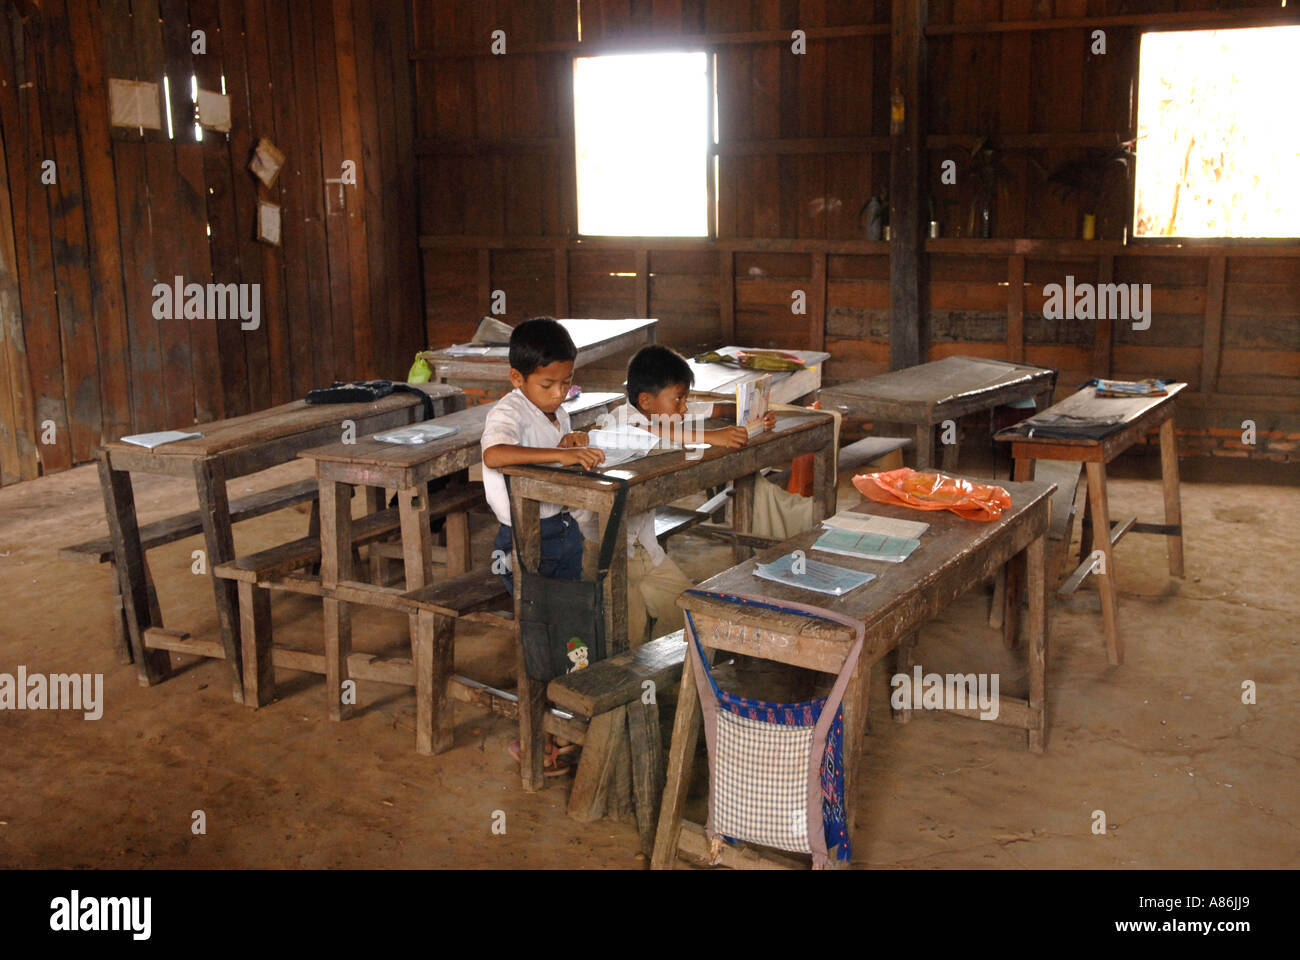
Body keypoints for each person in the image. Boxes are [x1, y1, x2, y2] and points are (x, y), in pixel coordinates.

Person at [583, 345, 775, 646]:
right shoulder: (621, 423)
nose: (684, 407)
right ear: (645, 400)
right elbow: (654, 438)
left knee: (687, 616)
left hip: (646, 550)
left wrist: (747, 417)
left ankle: (668, 680)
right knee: (625, 635)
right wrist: (713, 436)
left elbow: (698, 411)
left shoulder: (658, 411)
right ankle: (631, 689)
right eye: (679, 398)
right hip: (608, 555)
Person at [480, 317, 604, 596]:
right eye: (548, 385)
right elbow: (494, 455)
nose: (559, 394)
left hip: (564, 527)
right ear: (517, 378)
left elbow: (554, 448)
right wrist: (562, 455)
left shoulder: (558, 412)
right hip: (522, 536)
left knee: (567, 606)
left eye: (567, 382)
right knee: (535, 612)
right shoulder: (508, 413)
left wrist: (568, 443)